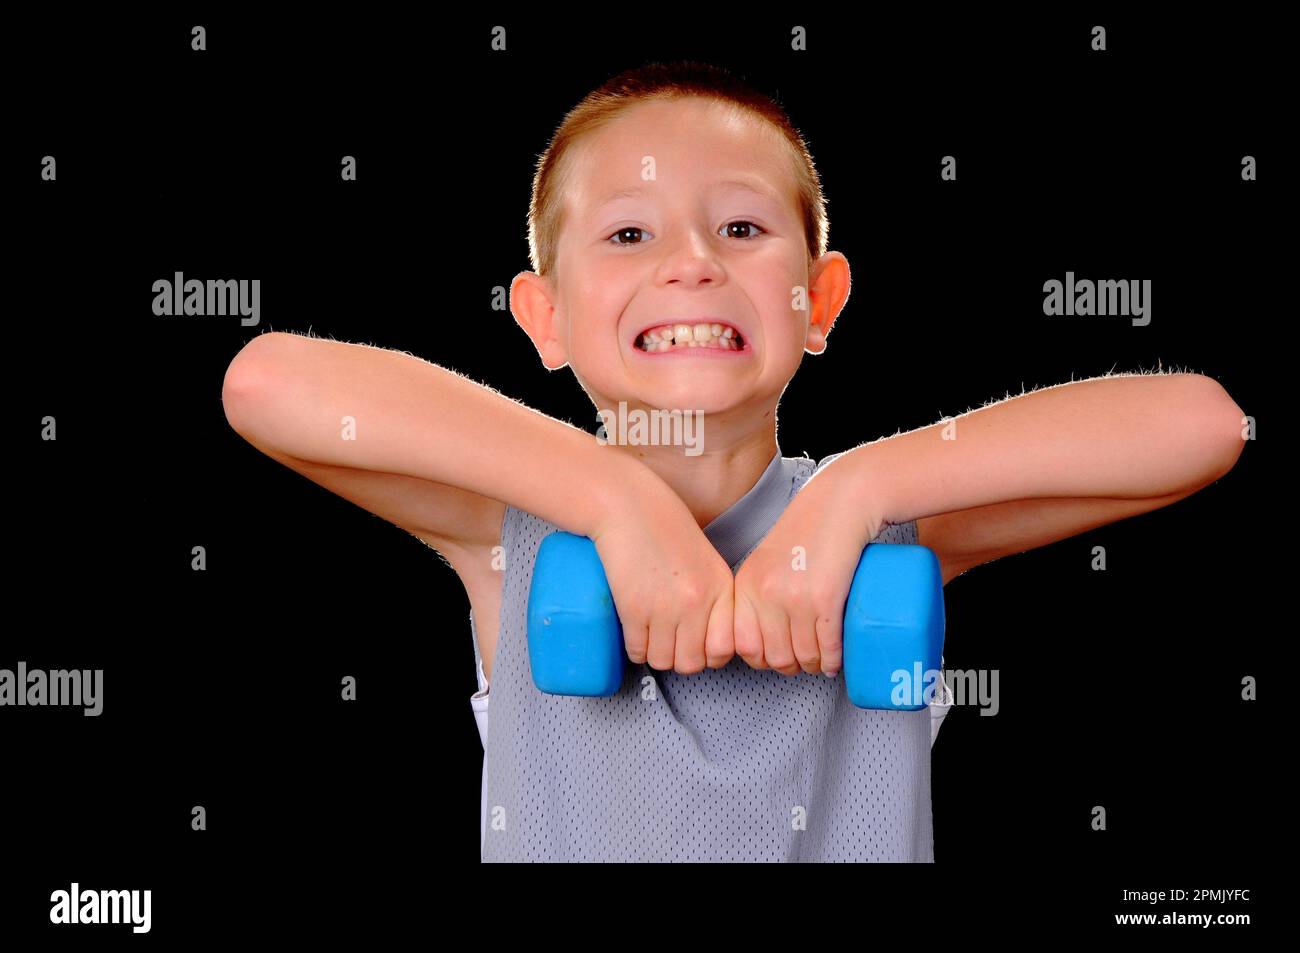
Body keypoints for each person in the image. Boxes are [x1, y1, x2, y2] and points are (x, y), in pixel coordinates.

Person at [220, 61, 1246, 862]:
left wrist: (862, 484)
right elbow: (265, 384)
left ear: (822, 301)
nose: (692, 261)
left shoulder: (891, 535)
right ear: (545, 318)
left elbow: (1200, 423)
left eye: (743, 226)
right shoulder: (509, 538)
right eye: (627, 231)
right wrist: (610, 493)